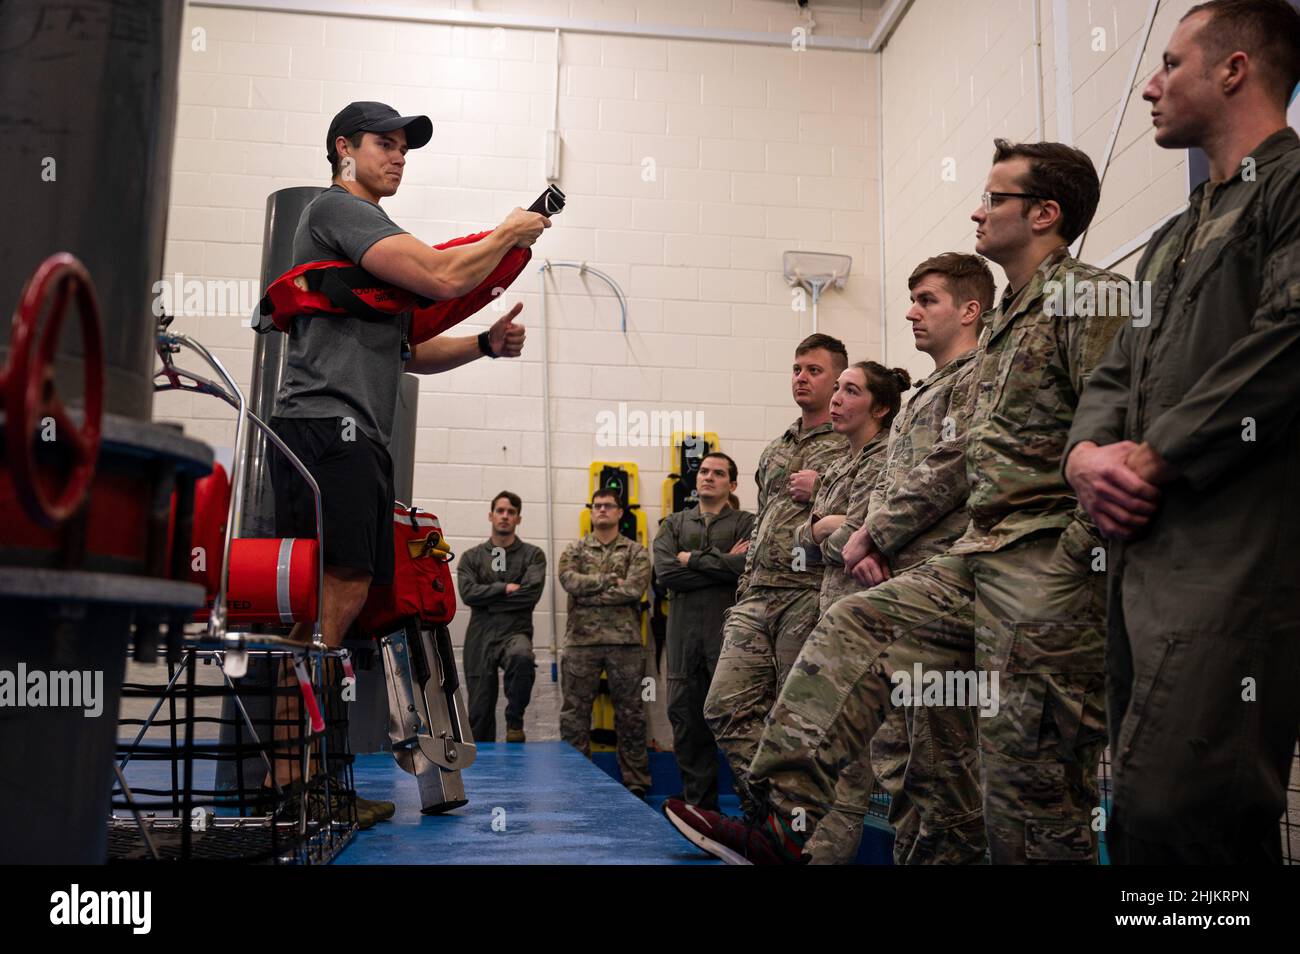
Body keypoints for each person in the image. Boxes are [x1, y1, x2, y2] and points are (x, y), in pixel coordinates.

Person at [668, 139, 1127, 864]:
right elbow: (975, 455)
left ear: (1044, 213)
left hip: (1046, 569)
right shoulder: (1008, 323)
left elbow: (1119, 435)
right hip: (977, 558)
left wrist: (1075, 558)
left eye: (994, 199)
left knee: (1024, 796)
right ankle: (786, 820)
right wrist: (876, 534)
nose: (977, 211)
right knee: (857, 628)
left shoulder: (1091, 298)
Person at [266, 101, 549, 827]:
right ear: (343, 149)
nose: (396, 157)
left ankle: (300, 782)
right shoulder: (343, 210)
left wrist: (485, 345)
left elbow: (409, 353)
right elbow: (447, 274)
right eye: (383, 145)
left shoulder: (361, 256)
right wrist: (510, 233)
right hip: (330, 431)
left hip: (345, 432)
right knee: (339, 594)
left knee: (330, 604)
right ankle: (301, 785)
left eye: (403, 149)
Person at [1065, 0, 1300, 864]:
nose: (1150, 88)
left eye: (1170, 64)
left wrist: (1159, 456)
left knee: (1190, 812)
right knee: (1139, 809)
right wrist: (1085, 455)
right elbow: (1116, 369)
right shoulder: (1174, 235)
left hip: (1231, 557)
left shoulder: (1292, 185)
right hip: (1142, 558)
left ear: (1232, 70)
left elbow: (1290, 338)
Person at [810, 255, 993, 865]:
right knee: (904, 770)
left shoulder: (979, 377)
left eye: (927, 300)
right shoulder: (920, 397)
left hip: (942, 600)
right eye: (911, 299)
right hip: (895, 596)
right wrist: (868, 541)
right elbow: (888, 491)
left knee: (943, 773)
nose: (912, 312)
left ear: (969, 310)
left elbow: (950, 472)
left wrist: (868, 538)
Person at [702, 333, 849, 817]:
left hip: (808, 596)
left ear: (838, 381)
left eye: (814, 370)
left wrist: (824, 486)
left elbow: (879, 507)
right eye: (796, 368)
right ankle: (774, 814)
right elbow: (765, 520)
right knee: (725, 707)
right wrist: (744, 587)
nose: (801, 377)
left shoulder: (854, 444)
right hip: (757, 596)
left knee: (798, 723)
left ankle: (794, 828)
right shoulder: (775, 448)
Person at [652, 452, 755, 812]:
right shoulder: (673, 524)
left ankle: (755, 818)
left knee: (739, 728)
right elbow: (665, 573)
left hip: (729, 643)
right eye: (705, 472)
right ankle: (701, 814)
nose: (709, 477)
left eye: (719, 473)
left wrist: (691, 559)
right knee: (688, 731)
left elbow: (747, 567)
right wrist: (722, 562)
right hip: (683, 645)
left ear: (733, 484)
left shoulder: (747, 523)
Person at [557, 488, 653, 796]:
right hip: (581, 642)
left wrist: (589, 594)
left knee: (631, 713)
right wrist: (609, 581)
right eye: (596, 506)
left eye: (608, 506)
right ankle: (576, 779)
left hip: (624, 643)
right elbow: (568, 581)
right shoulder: (574, 549)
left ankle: (636, 781)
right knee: (574, 713)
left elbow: (634, 589)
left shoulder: (636, 552)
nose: (601, 510)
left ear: (619, 512)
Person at [456, 491, 547, 744]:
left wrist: (487, 601)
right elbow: (467, 595)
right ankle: (483, 769)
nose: (505, 516)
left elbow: (530, 595)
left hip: (515, 631)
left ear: (518, 519)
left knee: (522, 657)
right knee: (479, 711)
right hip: (480, 635)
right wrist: (504, 588)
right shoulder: (471, 557)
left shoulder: (533, 555)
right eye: (500, 511)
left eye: (511, 512)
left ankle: (515, 722)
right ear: (491, 515)